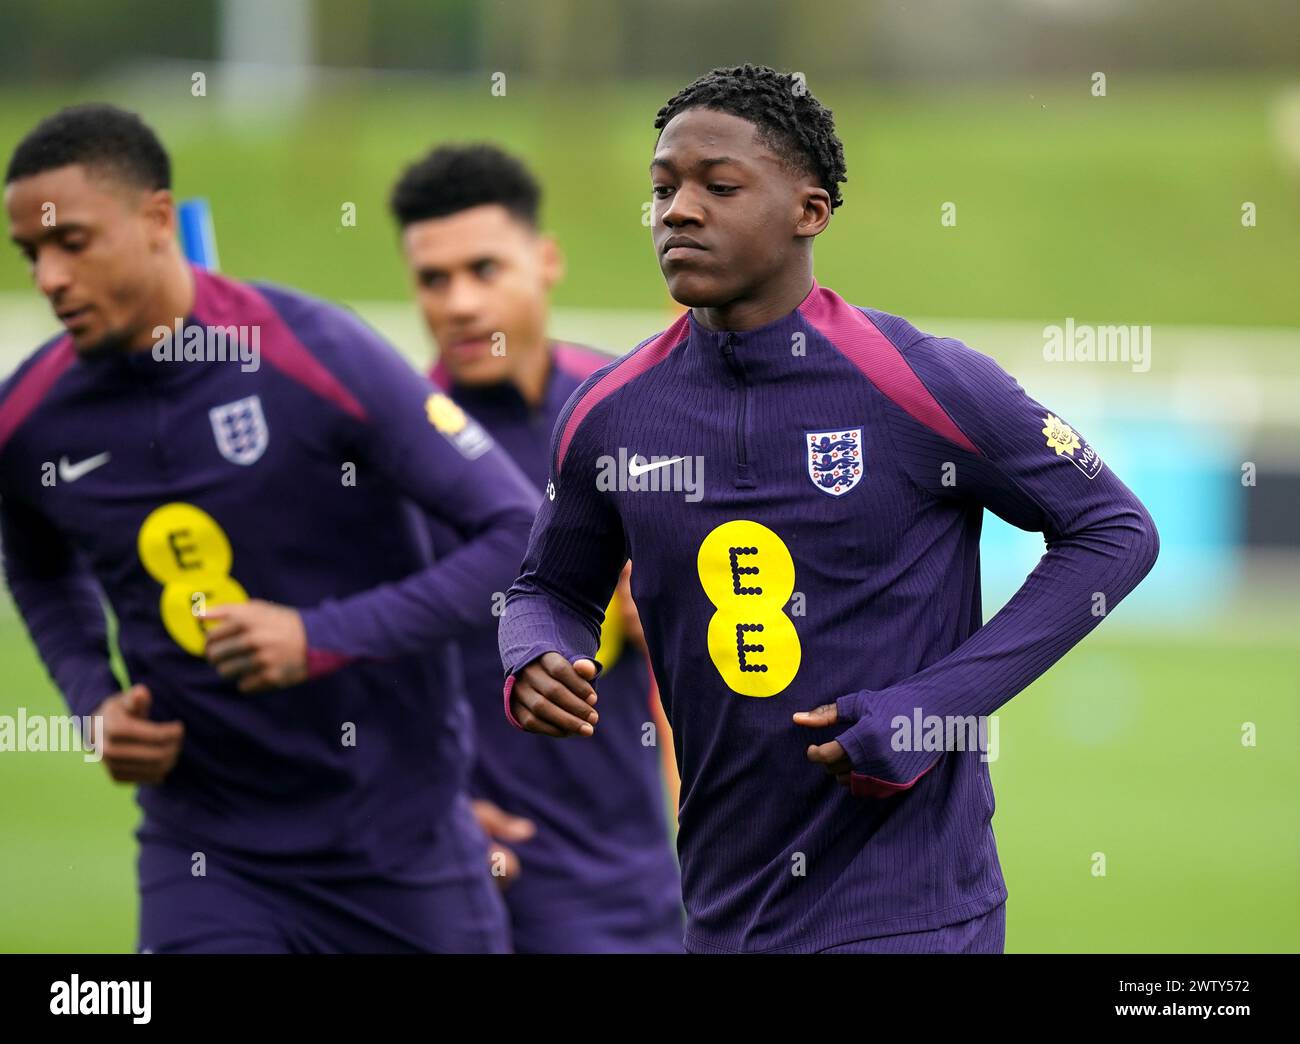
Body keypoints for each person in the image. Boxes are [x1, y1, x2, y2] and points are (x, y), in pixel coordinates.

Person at [497, 65, 1160, 954]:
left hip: (912, 914)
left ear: (809, 211)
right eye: (662, 189)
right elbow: (550, 589)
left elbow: (1114, 531)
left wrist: (932, 708)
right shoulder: (610, 413)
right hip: (724, 914)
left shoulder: (919, 380)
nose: (678, 212)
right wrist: (533, 652)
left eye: (718, 187)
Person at [0, 104, 539, 953]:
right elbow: (36, 567)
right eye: (31, 253)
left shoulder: (311, 352)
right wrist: (91, 700)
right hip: (207, 849)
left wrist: (316, 637)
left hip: (399, 840)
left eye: (73, 242)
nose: (51, 278)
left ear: (156, 220)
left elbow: (516, 536)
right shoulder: (29, 420)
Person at [389, 143, 682, 952]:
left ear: (545, 261)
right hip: (464, 877)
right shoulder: (394, 451)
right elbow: (352, 676)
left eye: (484, 269)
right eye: (433, 279)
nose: (459, 302)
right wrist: (429, 810)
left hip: (633, 877)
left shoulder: (627, 410)